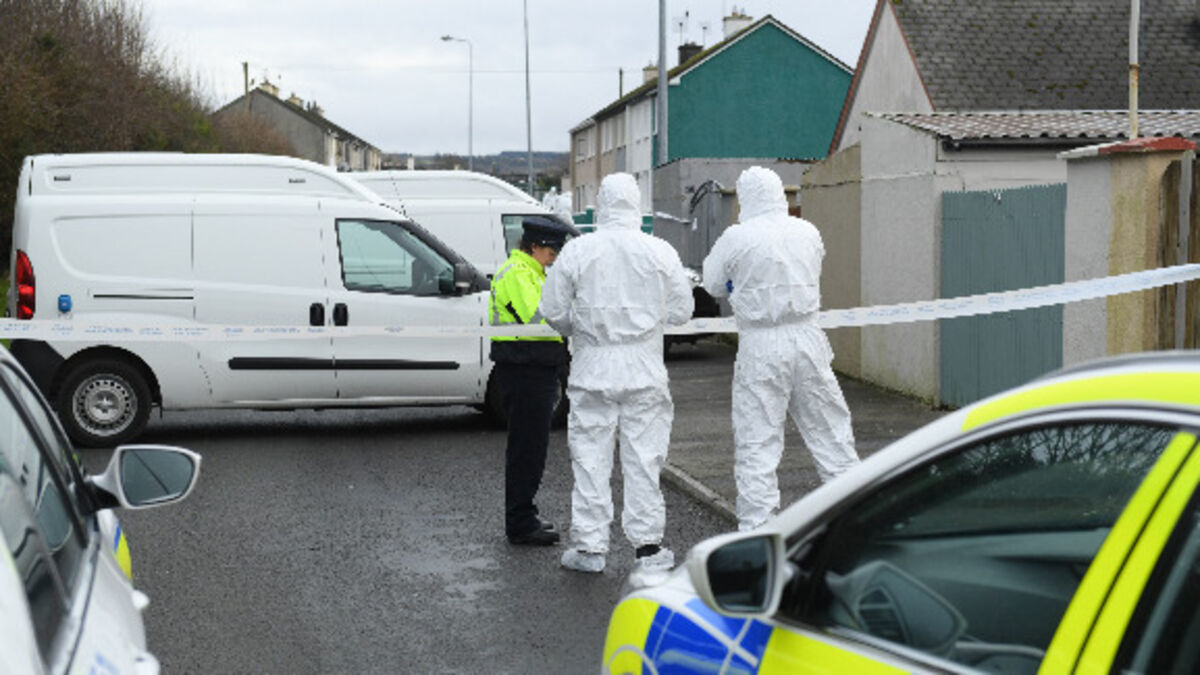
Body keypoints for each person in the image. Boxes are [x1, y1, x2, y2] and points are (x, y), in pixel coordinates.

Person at [540, 173, 694, 573]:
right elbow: (682, 311)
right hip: (643, 364)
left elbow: (553, 310)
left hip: (594, 364)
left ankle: (590, 548)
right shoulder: (659, 250)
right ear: (636, 203)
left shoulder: (577, 251)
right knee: (645, 457)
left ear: (602, 203)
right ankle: (647, 550)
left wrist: (580, 331)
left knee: (590, 456)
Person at [702, 166, 861, 532]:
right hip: (808, 337)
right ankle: (855, 518)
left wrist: (736, 282)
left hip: (761, 342)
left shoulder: (737, 237)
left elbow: (713, 284)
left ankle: (758, 531)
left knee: (758, 440)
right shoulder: (806, 230)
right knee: (831, 433)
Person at [490, 216, 574, 546]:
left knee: (532, 446)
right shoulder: (517, 273)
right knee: (527, 448)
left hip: (533, 369)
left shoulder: (530, 271)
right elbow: (541, 318)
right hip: (525, 370)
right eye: (552, 251)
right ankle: (521, 523)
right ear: (535, 246)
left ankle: (524, 515)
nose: (554, 257)